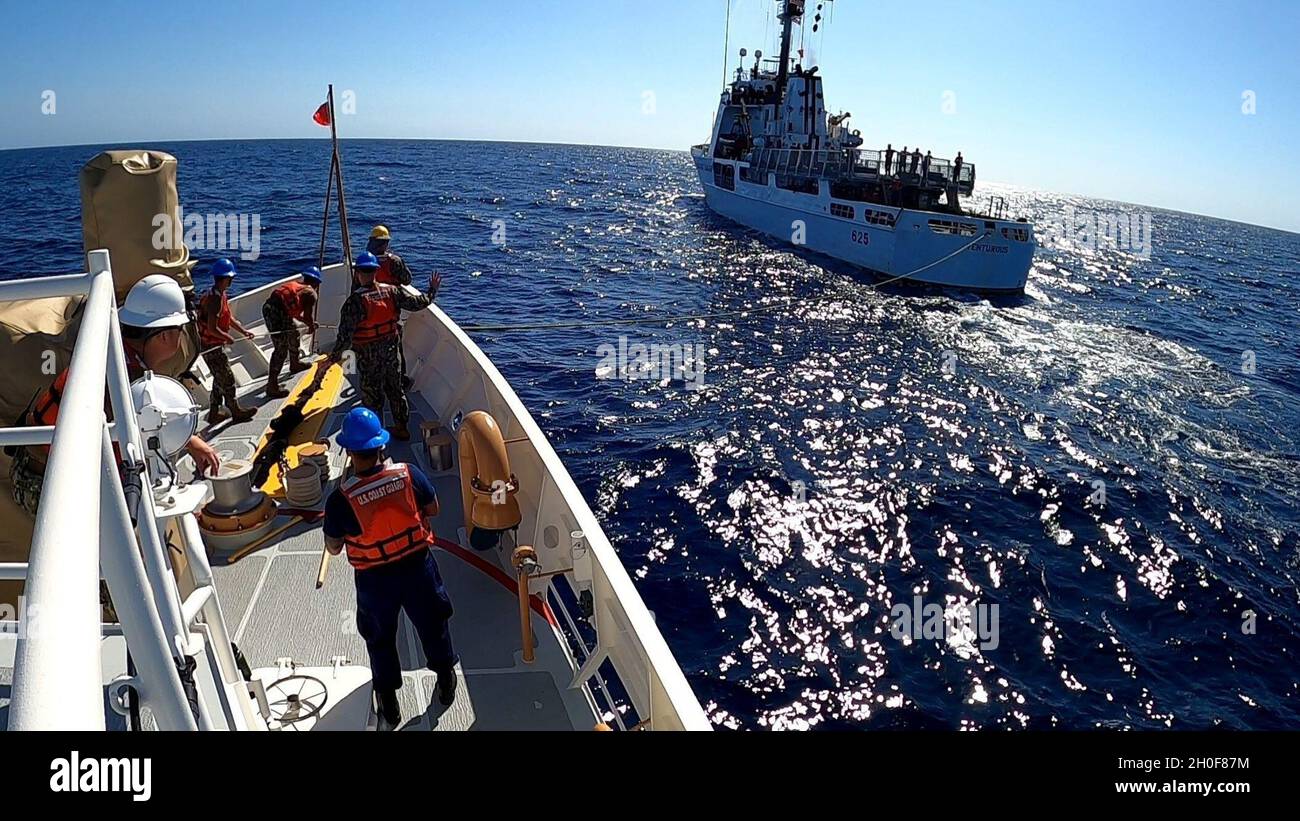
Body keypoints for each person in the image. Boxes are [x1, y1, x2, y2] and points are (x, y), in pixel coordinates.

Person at [9, 275, 221, 515]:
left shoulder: (113, 352)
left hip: (41, 465)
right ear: (164, 336)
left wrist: (191, 443)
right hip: (42, 484)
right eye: (180, 330)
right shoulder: (124, 380)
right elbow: (126, 454)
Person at [323, 407, 458, 729]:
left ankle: (389, 701)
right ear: (381, 446)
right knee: (433, 624)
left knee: (380, 638)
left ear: (350, 451)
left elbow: (334, 547)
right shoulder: (409, 475)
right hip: (417, 567)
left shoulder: (341, 499)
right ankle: (445, 678)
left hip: (374, 579)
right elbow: (433, 508)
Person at [327, 253, 441, 441]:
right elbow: (417, 303)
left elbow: (344, 337)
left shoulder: (354, 302)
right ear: (376, 272)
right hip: (391, 354)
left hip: (367, 357)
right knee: (396, 391)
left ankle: (374, 436)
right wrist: (432, 290)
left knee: (373, 397)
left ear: (357, 274)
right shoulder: (393, 292)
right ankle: (402, 428)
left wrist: (335, 357)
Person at [198, 258, 256, 424]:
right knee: (227, 378)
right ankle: (235, 410)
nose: (232, 281)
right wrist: (227, 337)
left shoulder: (220, 294)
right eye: (231, 278)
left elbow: (228, 318)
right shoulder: (214, 299)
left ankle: (214, 413)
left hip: (215, 343)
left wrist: (243, 331)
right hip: (211, 346)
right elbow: (211, 328)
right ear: (225, 278)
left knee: (219, 377)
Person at [367, 225, 416, 389]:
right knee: (395, 349)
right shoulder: (394, 261)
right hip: (389, 311)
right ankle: (400, 380)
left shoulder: (365, 261)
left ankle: (374, 379)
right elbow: (407, 279)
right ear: (385, 243)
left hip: (370, 312)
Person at [262, 266, 321, 399]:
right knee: (281, 349)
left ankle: (295, 364)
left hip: (272, 308)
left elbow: (293, 311)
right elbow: (307, 316)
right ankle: (272, 386)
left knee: (294, 332)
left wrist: (309, 323)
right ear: (316, 283)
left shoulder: (298, 287)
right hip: (276, 314)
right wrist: (311, 326)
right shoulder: (311, 294)